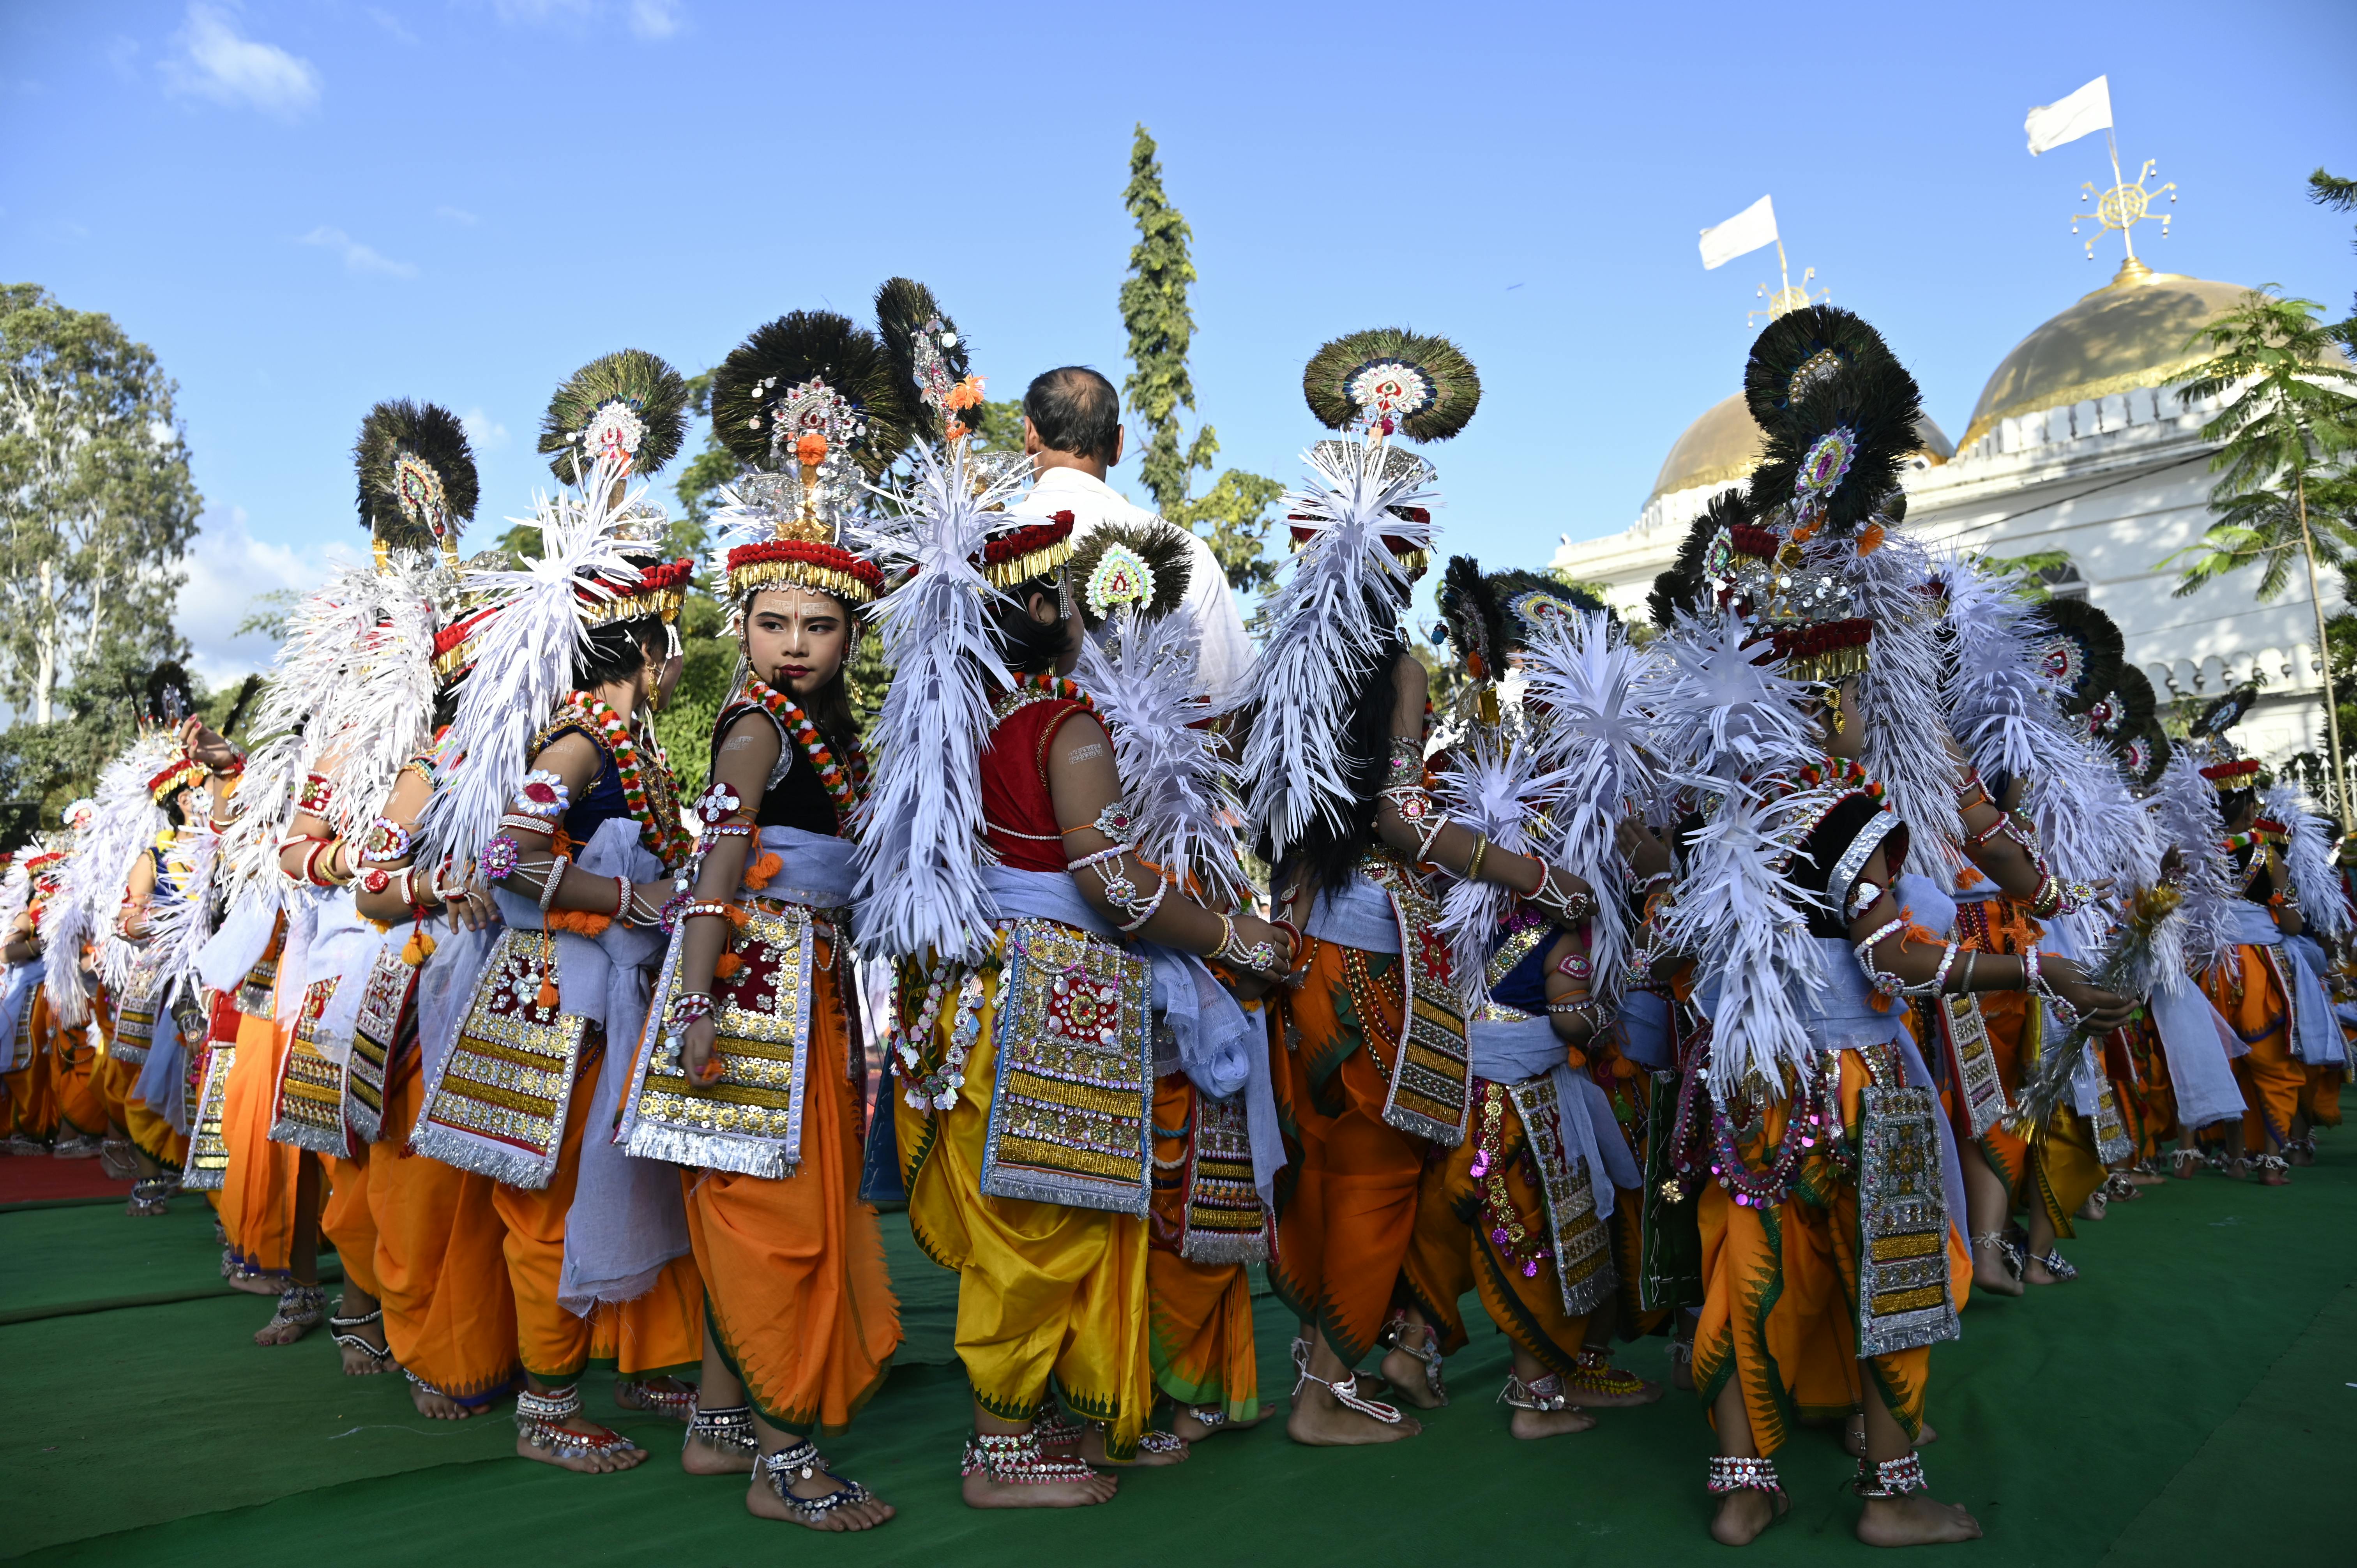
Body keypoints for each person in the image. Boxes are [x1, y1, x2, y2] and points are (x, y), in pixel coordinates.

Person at [1648, 305, 2135, 1546]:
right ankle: (1889, 1485)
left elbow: (1959, 800)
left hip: (1745, 1054)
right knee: (1891, 1263)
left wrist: (2031, 878)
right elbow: (1900, 929)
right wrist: (2033, 951)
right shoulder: (1827, 739)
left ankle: (1746, 1480)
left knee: (1746, 1263)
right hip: (1855, 1047)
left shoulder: (1763, 758)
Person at [860, 436, 1293, 1506]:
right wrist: (1238, 940)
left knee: (1067, 1209)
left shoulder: (960, 721)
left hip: (985, 984)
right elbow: (1118, 886)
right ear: (1057, 612)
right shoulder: (1065, 722)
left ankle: (1078, 1413)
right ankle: (1001, 1451)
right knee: (1046, 1222)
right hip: (1052, 989)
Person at [1240, 330, 1598, 1446]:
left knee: (1342, 1161)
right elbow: (1402, 816)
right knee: (1380, 1174)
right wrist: (1537, 872)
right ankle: (1320, 1392)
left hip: (1302, 951)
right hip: (1369, 961)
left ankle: (1365, 1358)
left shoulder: (1281, 657)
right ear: (1403, 554)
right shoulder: (1396, 666)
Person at [622, 307, 907, 1529]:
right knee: (774, 1221)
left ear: (851, 634)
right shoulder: (750, 728)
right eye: (773, 623)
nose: (794, 644)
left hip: (801, 982)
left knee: (775, 1199)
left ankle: (720, 1423)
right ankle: (785, 1461)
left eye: (820, 625)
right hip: (747, 985)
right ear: (739, 627)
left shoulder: (823, 730)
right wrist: (694, 1005)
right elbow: (715, 873)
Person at [411, 350, 703, 1472]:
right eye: (670, 637)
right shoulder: (581, 742)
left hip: (591, 999)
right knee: (548, 1201)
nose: (677, 659)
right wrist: (637, 895)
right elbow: (506, 856)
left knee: (602, 1185)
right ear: (643, 646)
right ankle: (546, 1408)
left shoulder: (624, 743)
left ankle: (631, 1363)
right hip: (555, 1003)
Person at [1399, 562, 1655, 1437]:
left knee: (1497, 1207)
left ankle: (1421, 1347)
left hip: (1497, 1039)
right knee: (1535, 1214)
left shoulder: (1550, 776)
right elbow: (1550, 913)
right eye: (1536, 681)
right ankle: (1536, 1388)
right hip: (1524, 1036)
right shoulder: (1504, 781)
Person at [1004, 366, 1253, 700]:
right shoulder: (1188, 552)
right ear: (1119, 444)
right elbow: (1233, 702)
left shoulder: (986, 545)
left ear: (1030, 434)